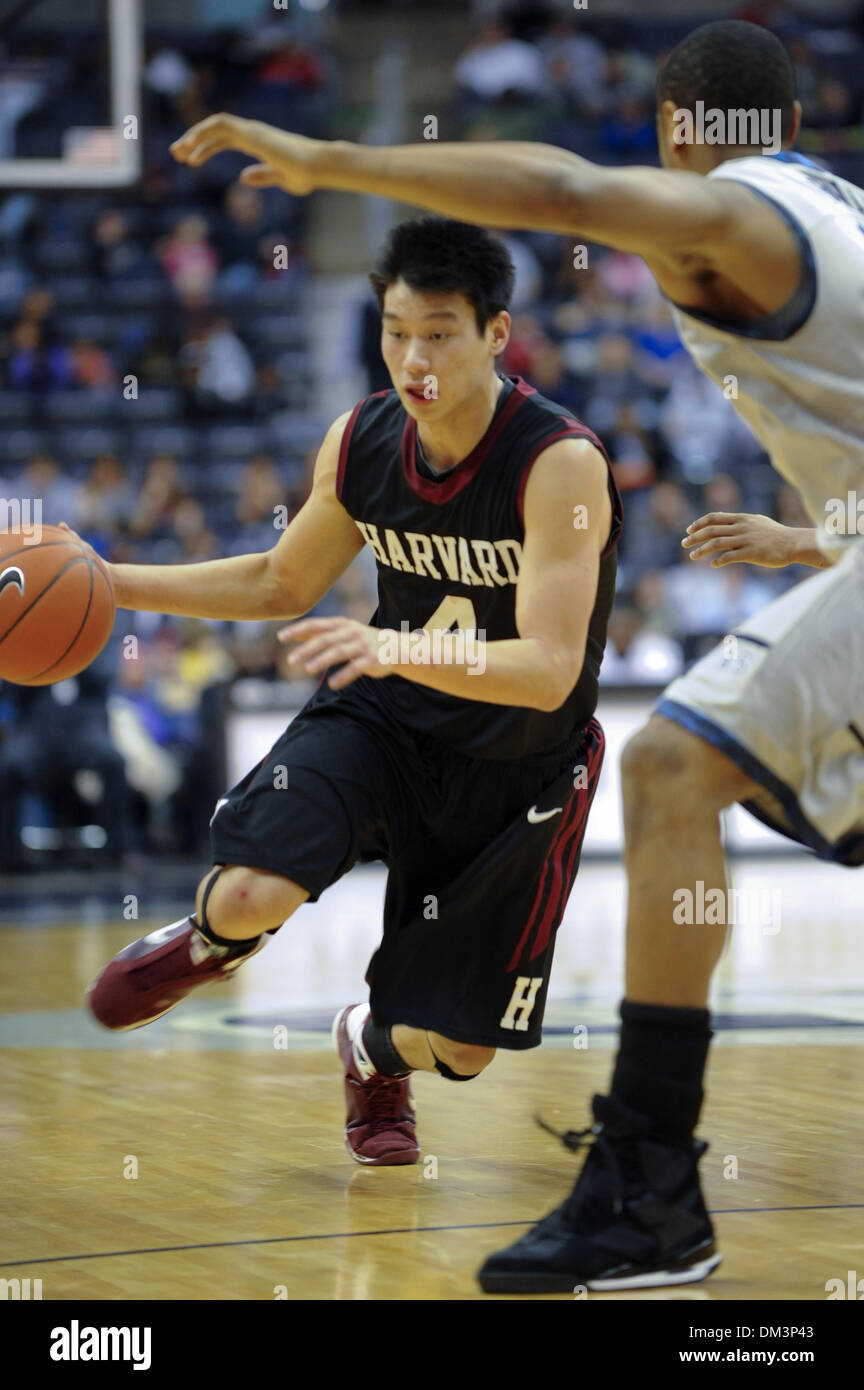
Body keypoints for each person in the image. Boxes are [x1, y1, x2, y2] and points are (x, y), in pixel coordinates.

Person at [168, 17, 864, 1291]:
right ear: (795, 124)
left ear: (675, 130)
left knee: (669, 768)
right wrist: (824, 533)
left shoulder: (736, 215)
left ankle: (651, 1191)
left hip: (512, 737)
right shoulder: (833, 207)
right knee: (681, 774)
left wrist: (329, 161)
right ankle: (643, 1183)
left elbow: (565, 191)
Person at [84, 216, 620, 1171]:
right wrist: (104, 580)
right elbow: (278, 582)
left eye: (440, 334)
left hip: (519, 761)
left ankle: (371, 1048)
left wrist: (389, 642)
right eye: (395, 331)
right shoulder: (362, 438)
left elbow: (549, 668)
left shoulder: (559, 464)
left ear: (497, 333)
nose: (414, 358)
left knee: (463, 1048)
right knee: (247, 893)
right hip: (388, 720)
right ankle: (212, 940)